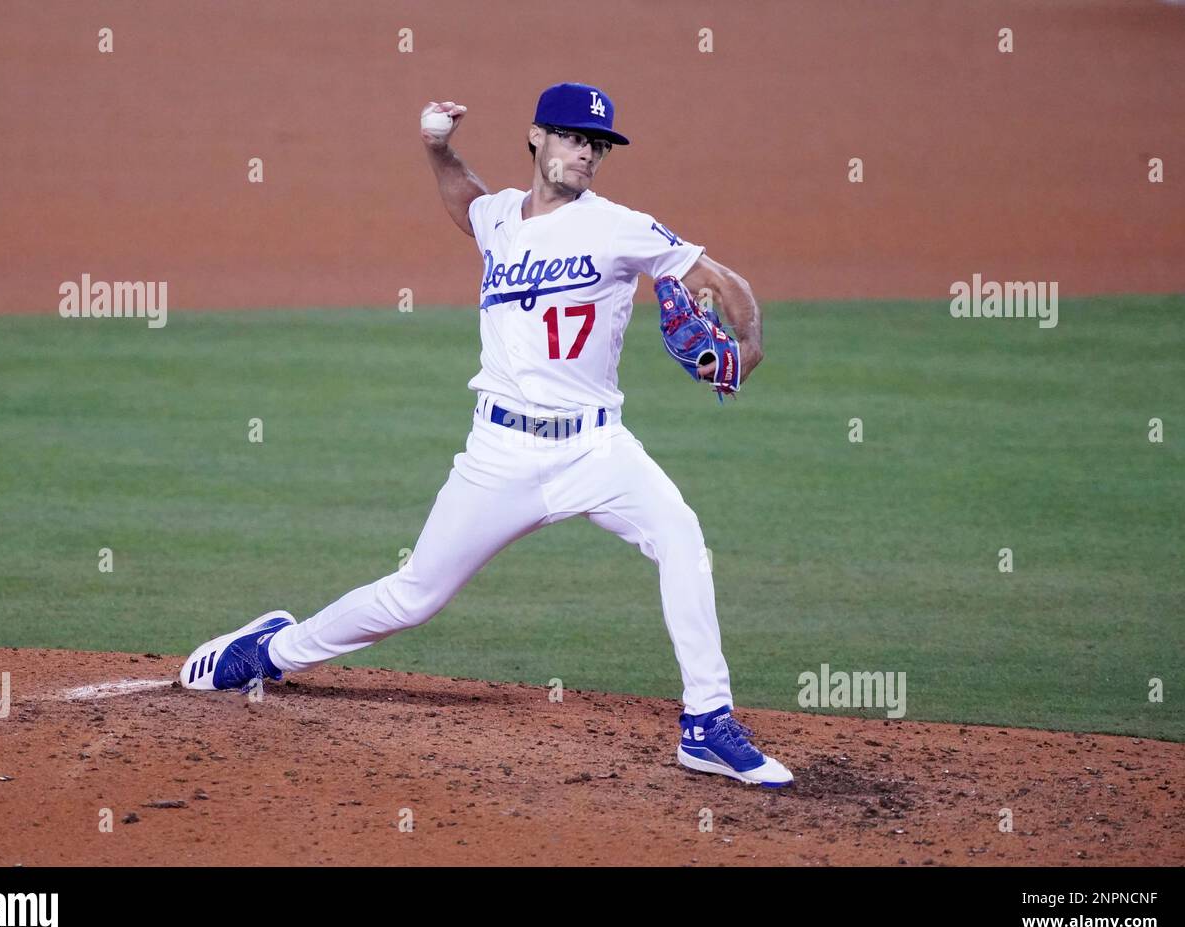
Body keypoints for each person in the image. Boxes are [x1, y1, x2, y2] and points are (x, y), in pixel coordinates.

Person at [180, 82, 793, 788]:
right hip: (498, 454)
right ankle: (271, 652)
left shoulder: (623, 227)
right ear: (536, 136)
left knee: (680, 535)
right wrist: (436, 146)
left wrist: (747, 347)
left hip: (596, 449)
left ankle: (707, 723)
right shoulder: (501, 216)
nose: (585, 153)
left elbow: (721, 280)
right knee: (415, 595)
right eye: (571, 137)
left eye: (597, 145)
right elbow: (465, 200)